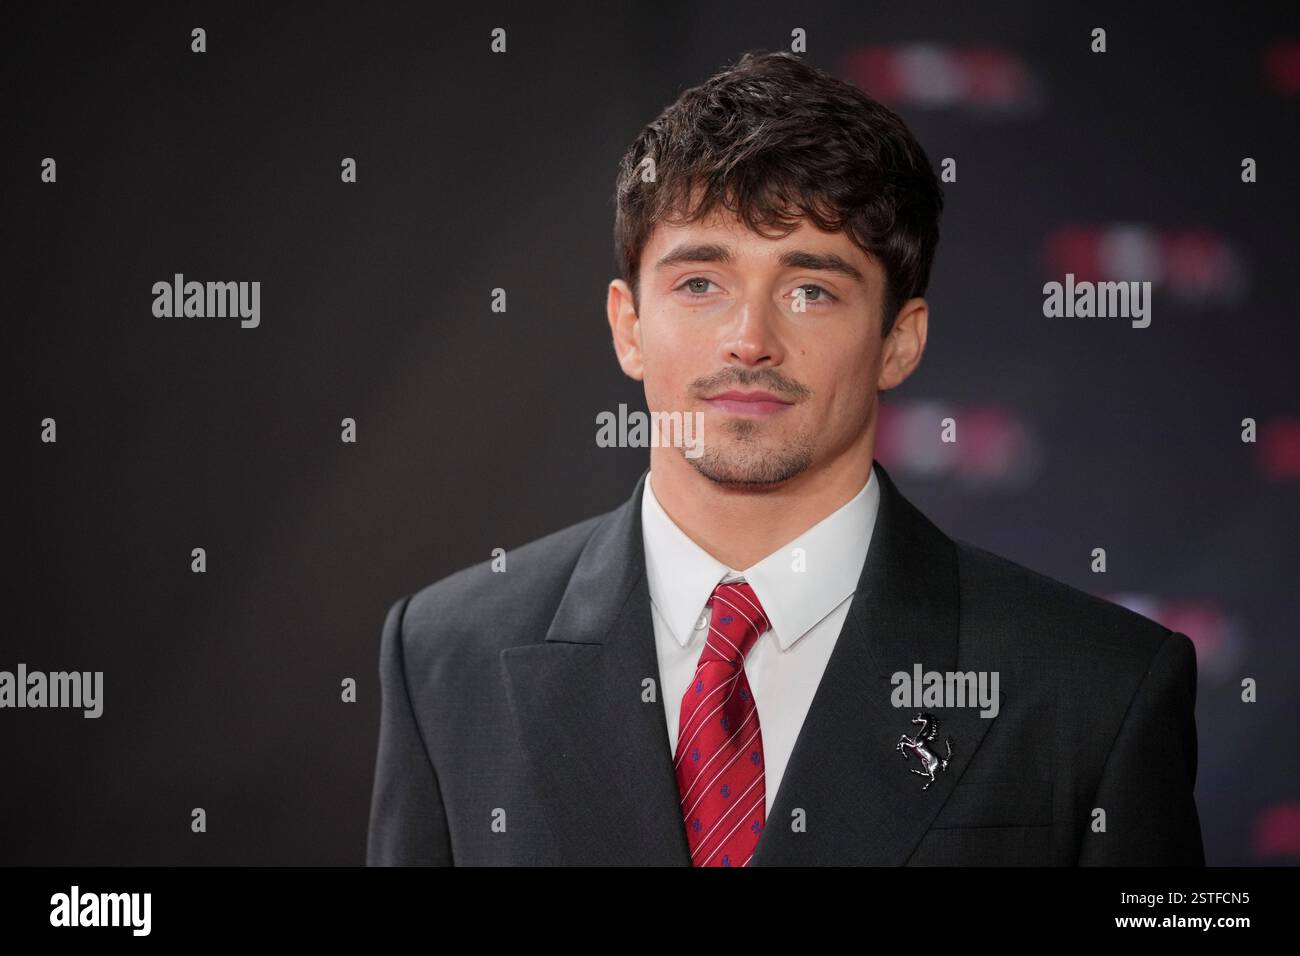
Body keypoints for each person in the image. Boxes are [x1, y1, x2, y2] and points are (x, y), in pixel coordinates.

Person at [366, 50, 1204, 866]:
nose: (749, 340)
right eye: (700, 283)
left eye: (812, 291)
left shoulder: (1096, 687)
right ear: (628, 326)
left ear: (899, 341)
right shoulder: (445, 656)